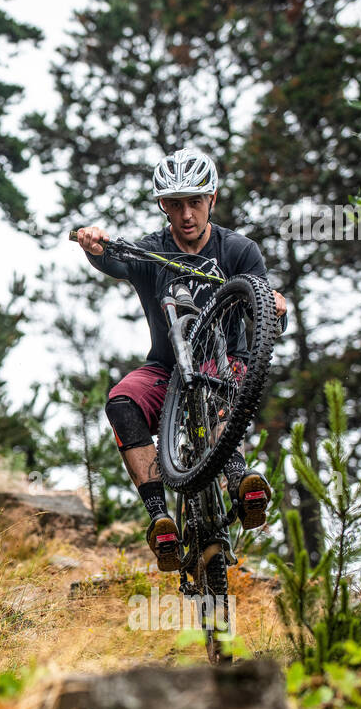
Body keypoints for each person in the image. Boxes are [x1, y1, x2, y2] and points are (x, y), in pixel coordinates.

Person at [74, 148, 287, 570]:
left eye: (195, 201)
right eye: (175, 204)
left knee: (214, 386)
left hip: (226, 364)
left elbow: (258, 307)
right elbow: (113, 259)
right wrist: (93, 244)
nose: (186, 213)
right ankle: (160, 520)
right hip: (166, 369)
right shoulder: (151, 251)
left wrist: (275, 306)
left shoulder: (240, 251)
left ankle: (239, 481)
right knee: (121, 402)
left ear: (212, 198)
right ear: (162, 206)